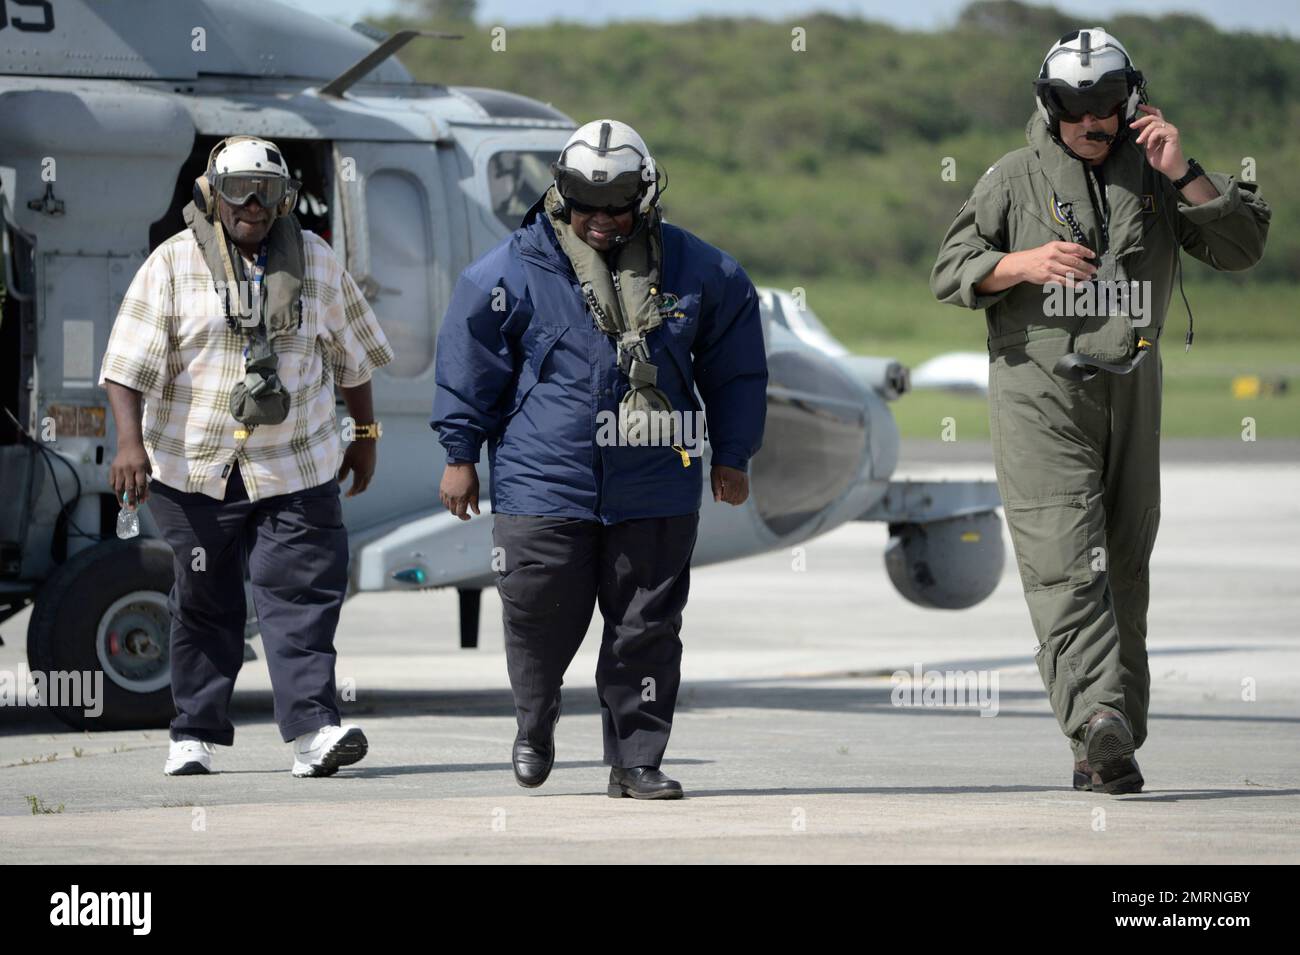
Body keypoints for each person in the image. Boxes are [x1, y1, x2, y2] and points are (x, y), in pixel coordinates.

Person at [931, 29, 1269, 794]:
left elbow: (1243, 248)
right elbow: (949, 268)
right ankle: (1097, 719)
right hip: (1039, 393)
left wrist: (1184, 173)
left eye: (1106, 104)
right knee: (1064, 561)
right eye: (1075, 106)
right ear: (1049, 106)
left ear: (1130, 101)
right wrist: (1017, 264)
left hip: (1132, 389)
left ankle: (1106, 745)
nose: (1092, 120)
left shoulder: (1156, 177)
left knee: (1123, 565)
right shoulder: (1013, 179)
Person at [433, 119, 768, 799]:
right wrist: (459, 453)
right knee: (536, 613)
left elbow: (736, 370)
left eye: (617, 206)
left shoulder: (702, 270)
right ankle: (535, 717)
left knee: (647, 627)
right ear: (560, 193)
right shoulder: (507, 271)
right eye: (586, 204)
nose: (602, 220)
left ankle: (636, 759)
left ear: (644, 197)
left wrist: (732, 453)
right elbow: (471, 366)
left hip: (654, 482)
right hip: (541, 482)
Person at [99, 135, 395, 777]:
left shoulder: (316, 260)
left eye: (269, 193)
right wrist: (129, 445)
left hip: (297, 466)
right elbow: (124, 367)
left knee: (301, 598)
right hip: (194, 469)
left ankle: (314, 734)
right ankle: (193, 733)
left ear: (286, 199)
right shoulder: (172, 264)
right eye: (238, 190)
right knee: (205, 601)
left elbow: (353, 358)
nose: (254, 205)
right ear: (212, 194)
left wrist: (364, 435)